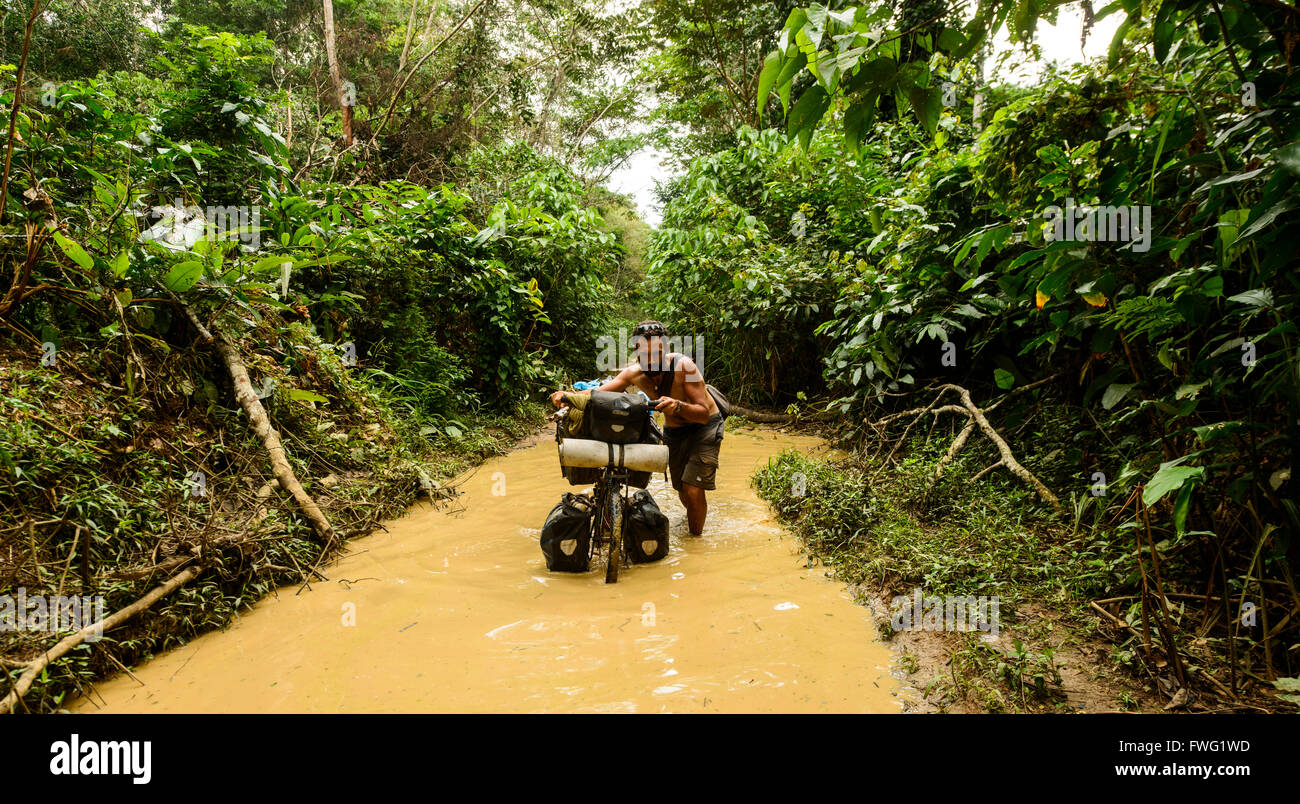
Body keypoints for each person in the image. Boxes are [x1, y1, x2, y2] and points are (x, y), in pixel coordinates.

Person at [550, 320, 722, 536]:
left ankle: (696, 544)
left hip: (704, 427)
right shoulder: (633, 374)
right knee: (682, 490)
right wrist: (567, 397)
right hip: (674, 432)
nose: (651, 359)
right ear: (636, 352)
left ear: (666, 349)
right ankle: (697, 516)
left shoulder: (684, 367)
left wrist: (677, 405)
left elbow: (703, 413)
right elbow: (599, 393)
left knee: (693, 488)